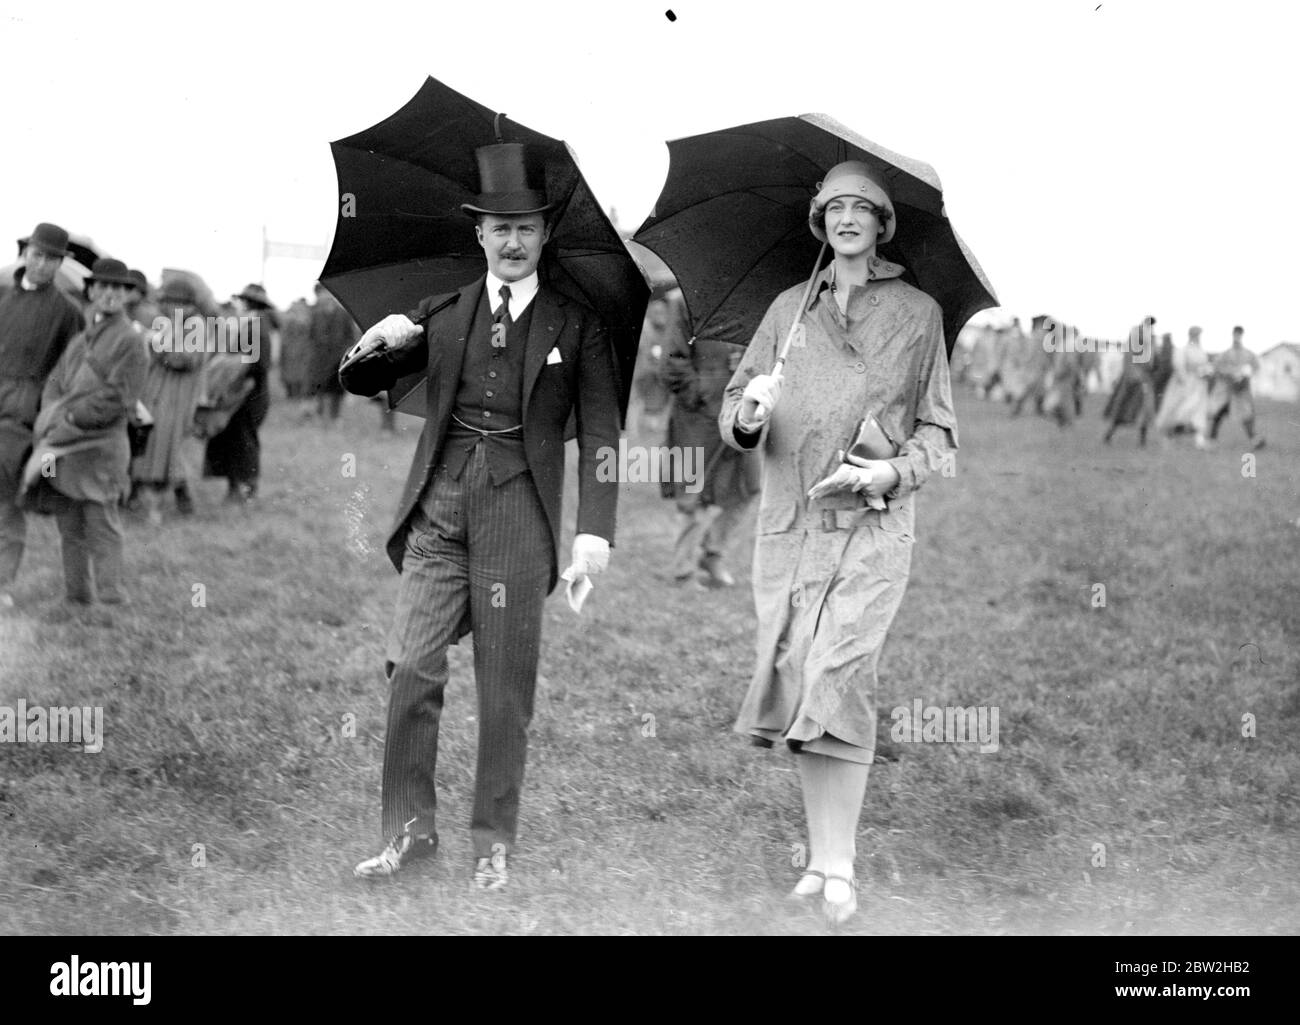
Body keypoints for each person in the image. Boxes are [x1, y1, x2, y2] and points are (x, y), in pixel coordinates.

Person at [342, 143, 620, 889]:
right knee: (409, 665)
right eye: (499, 227)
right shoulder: (440, 312)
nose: (513, 240)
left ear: (544, 233)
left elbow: (602, 434)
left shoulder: (577, 323)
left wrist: (593, 534)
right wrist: (380, 342)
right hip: (438, 511)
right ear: (479, 234)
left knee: (504, 690)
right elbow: (359, 377)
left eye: (526, 226)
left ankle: (492, 840)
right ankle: (407, 833)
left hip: (518, 518)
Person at [719, 161, 958, 926]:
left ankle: (843, 863)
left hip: (873, 525)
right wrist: (750, 412)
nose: (849, 217)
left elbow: (941, 435)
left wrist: (890, 469)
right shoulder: (789, 310)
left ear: (883, 225)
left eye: (865, 207)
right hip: (791, 526)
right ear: (820, 221)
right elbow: (735, 414)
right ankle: (818, 859)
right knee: (799, 678)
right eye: (836, 207)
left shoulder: (919, 313)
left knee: (841, 674)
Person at [21, 258, 147, 611]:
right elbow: (55, 381)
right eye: (102, 287)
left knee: (102, 526)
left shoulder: (131, 341)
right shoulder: (81, 338)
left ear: (127, 295)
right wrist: (50, 416)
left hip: (101, 445)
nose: (109, 294)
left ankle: (111, 602)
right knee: (69, 525)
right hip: (64, 445)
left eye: (117, 288)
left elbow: (118, 399)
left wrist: (68, 420)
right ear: (91, 290)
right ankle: (77, 597)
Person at [0, 223, 85, 608]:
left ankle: (2, 584)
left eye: (53, 258)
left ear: (60, 264)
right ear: (25, 253)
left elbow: (70, 373)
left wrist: (48, 416)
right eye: (38, 254)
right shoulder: (2, 299)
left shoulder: (67, 313)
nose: (43, 264)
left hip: (25, 414)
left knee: (6, 504)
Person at [660, 292, 759, 587]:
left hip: (745, 412)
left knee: (750, 485)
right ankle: (683, 570)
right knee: (692, 496)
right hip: (699, 416)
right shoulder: (685, 300)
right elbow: (672, 362)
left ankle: (713, 553)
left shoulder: (759, 297)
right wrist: (703, 396)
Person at [131, 278, 207, 522]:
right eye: (165, 302)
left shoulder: (195, 325)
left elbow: (185, 360)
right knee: (159, 446)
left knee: (164, 445)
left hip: (177, 395)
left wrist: (157, 344)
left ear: (187, 305)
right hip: (157, 393)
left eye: (172, 302)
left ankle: (159, 507)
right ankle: (177, 500)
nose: (166, 307)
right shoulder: (169, 324)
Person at [203, 284, 274, 502]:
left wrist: (232, 366)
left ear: (247, 304)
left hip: (250, 393)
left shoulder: (257, 327)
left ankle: (246, 489)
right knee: (233, 439)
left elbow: (259, 364)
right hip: (239, 392)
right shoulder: (245, 324)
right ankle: (235, 489)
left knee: (244, 440)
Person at [1206, 326, 1265, 449]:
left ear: (1242, 336)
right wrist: (1230, 373)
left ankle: (1254, 439)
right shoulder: (1226, 354)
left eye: (1239, 335)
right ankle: (1211, 439)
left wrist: (1246, 374)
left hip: (1241, 391)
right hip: (1227, 391)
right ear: (1232, 335)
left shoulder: (1248, 354)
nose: (1236, 338)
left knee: (1246, 415)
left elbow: (1256, 367)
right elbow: (1217, 367)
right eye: (1235, 335)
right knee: (1219, 413)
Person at [1152, 325, 1212, 447]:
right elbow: (1179, 366)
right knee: (1181, 411)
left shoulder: (1200, 351)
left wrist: (1206, 373)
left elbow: (1204, 365)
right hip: (1184, 385)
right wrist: (1185, 380)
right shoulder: (1183, 350)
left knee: (1197, 411)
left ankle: (1199, 438)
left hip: (1199, 386)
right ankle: (1169, 435)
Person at [1102, 317, 1157, 446]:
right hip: (1135, 376)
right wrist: (1132, 373)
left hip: (1144, 376)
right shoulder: (1138, 334)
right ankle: (1109, 434)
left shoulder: (1149, 336)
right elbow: (1129, 355)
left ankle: (1142, 441)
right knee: (1125, 407)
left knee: (1144, 409)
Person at [308, 282, 357, 421]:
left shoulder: (343, 313)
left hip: (338, 358)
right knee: (320, 387)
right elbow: (311, 336)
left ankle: (335, 416)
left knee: (337, 389)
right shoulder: (315, 313)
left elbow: (350, 336)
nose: (326, 296)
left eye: (329, 293)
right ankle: (320, 414)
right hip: (320, 358)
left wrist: (345, 353)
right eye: (323, 293)